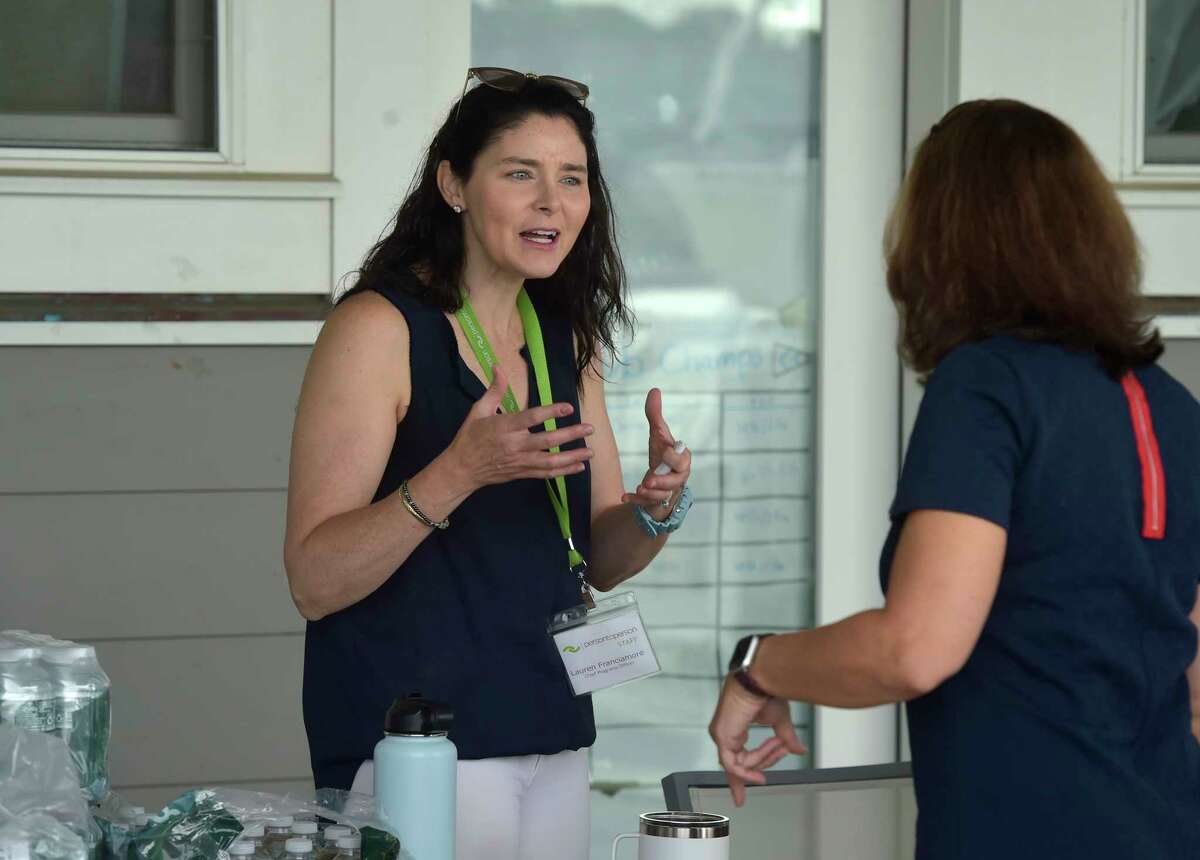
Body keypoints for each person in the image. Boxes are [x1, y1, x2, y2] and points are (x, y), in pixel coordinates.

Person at [706, 99, 1200, 858]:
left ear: (948, 238)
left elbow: (916, 647)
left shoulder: (987, 386)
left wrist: (758, 664)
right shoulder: (1170, 405)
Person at [283, 68, 694, 860]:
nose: (552, 202)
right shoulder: (379, 327)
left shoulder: (565, 339)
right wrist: (457, 471)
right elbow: (313, 577)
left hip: (552, 728)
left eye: (572, 179)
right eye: (520, 174)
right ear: (454, 185)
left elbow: (602, 558)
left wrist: (653, 508)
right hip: (418, 745)